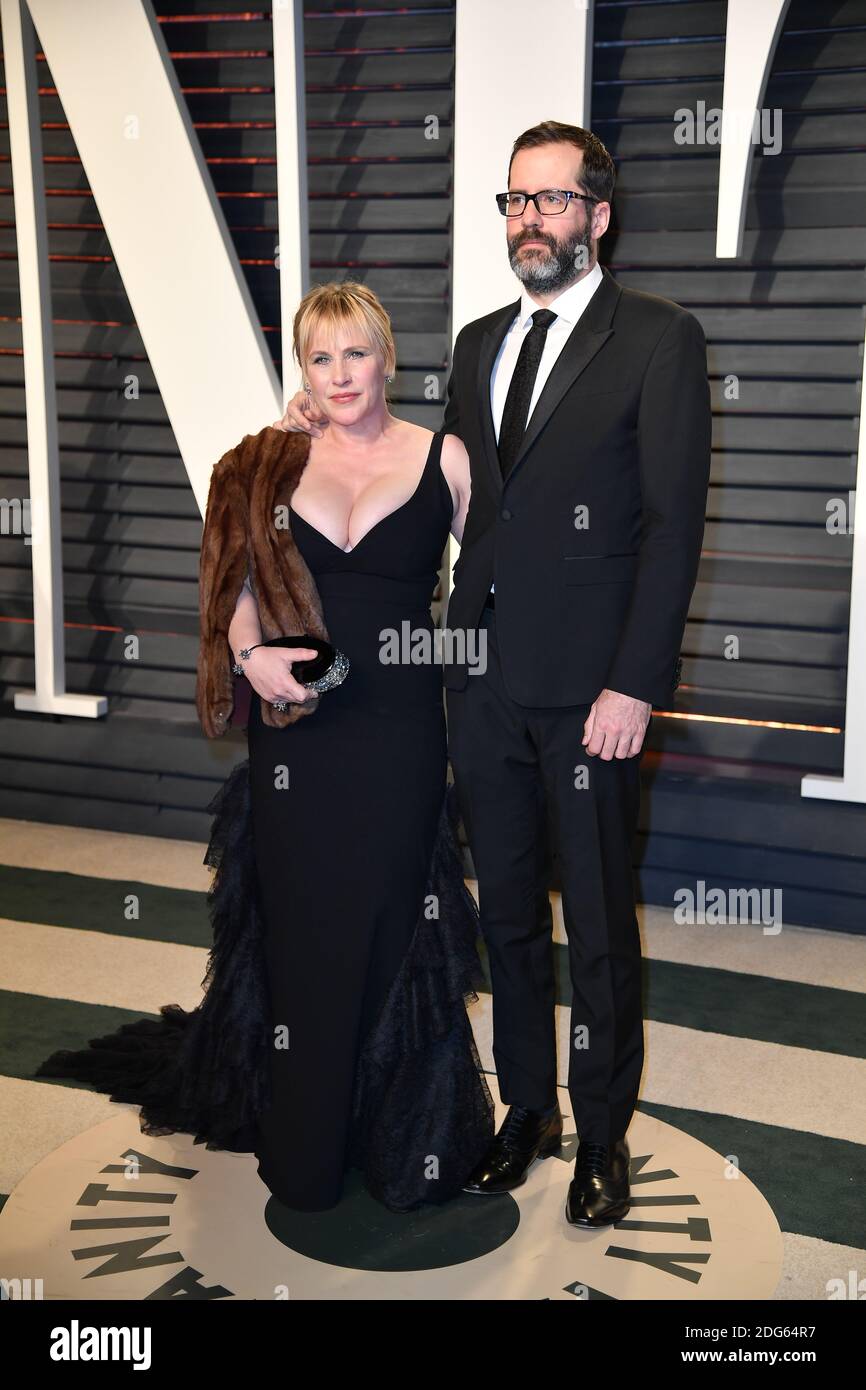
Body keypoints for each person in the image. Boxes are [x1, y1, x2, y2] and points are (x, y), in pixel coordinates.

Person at [279, 122, 712, 1228]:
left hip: (592, 698)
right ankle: (529, 1110)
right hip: (479, 686)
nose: (530, 219)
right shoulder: (476, 344)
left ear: (597, 217)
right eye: (514, 200)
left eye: (552, 201)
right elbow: (451, 488)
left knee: (601, 926)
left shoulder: (656, 337)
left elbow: (670, 530)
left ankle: (602, 1136)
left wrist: (634, 684)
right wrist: (315, 427)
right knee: (508, 915)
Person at [36, 280, 495, 1214]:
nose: (340, 374)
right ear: (303, 369)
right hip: (300, 733)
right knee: (306, 930)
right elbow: (231, 586)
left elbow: (498, 580)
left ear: (386, 357)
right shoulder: (266, 463)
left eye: (355, 353)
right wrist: (253, 661)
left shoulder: (446, 459)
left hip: (402, 730)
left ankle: (405, 1133)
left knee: (396, 918)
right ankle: (308, 1141)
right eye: (320, 358)